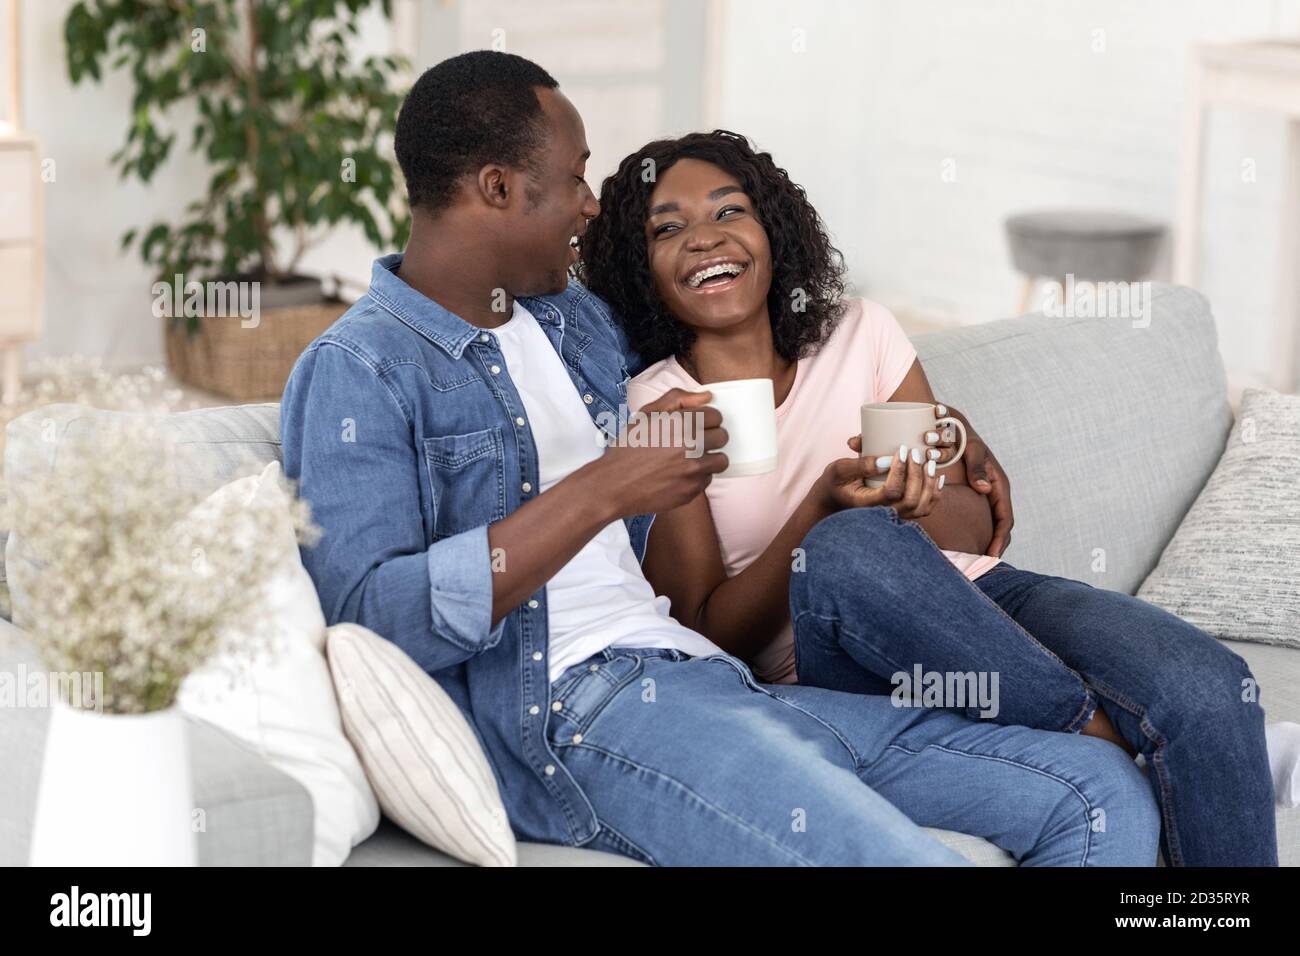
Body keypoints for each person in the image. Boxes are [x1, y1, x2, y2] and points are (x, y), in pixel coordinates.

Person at [281, 51, 1160, 866]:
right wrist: (599, 491)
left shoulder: (574, 321)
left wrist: (946, 424)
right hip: (574, 712)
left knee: (1096, 793)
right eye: (578, 177)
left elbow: (723, 317)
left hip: (707, 679)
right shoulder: (358, 372)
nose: (592, 205)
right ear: (500, 186)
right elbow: (369, 620)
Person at [579, 129, 1278, 866]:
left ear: (771, 230)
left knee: (1209, 687)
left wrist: (921, 492)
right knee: (846, 548)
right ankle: (1095, 729)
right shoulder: (656, 409)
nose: (704, 239)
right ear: (640, 267)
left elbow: (970, 541)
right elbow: (708, 635)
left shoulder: (861, 333)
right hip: (836, 664)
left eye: (729, 212)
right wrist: (821, 510)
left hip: (976, 601)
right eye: (668, 228)